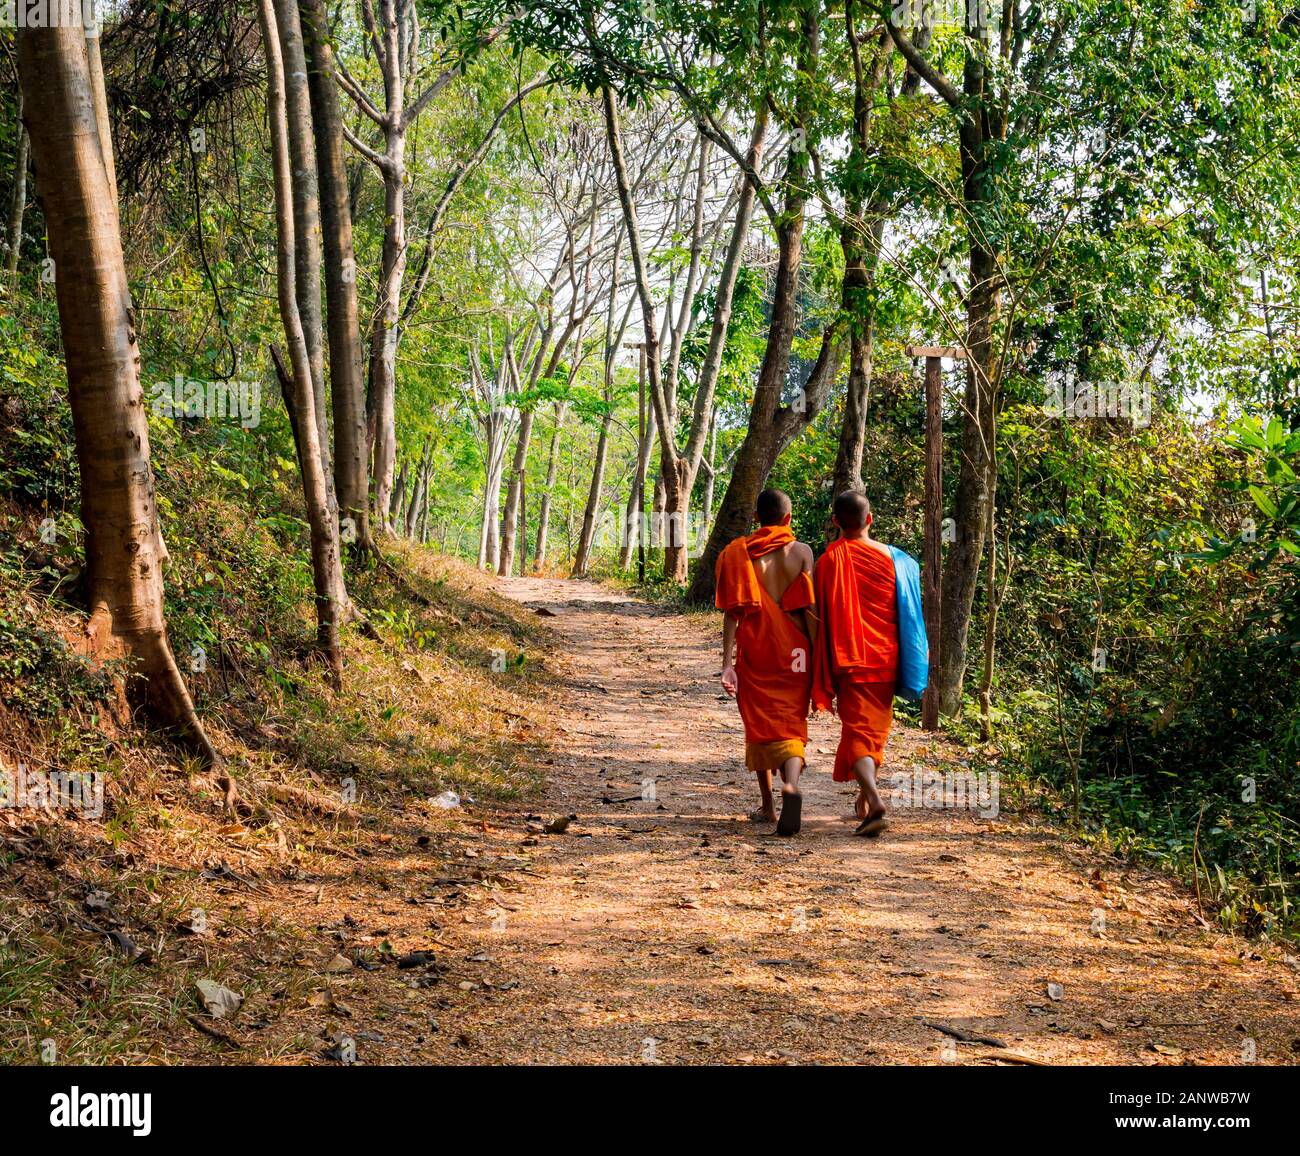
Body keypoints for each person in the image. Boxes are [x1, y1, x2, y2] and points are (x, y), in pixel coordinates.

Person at [716, 488, 816, 835]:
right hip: (796, 652)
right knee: (791, 722)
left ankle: (769, 805)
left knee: (760, 726)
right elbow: (810, 608)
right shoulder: (802, 552)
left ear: (756, 518)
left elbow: (733, 612)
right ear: (788, 519)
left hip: (756, 650)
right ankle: (791, 783)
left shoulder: (739, 553)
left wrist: (727, 663)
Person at [812, 490, 898, 836]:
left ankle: (874, 799)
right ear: (870, 519)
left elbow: (819, 616)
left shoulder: (829, 561)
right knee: (873, 732)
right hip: (888, 657)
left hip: (850, 659)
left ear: (835, 522)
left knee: (859, 733)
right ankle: (864, 801)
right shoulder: (893, 558)